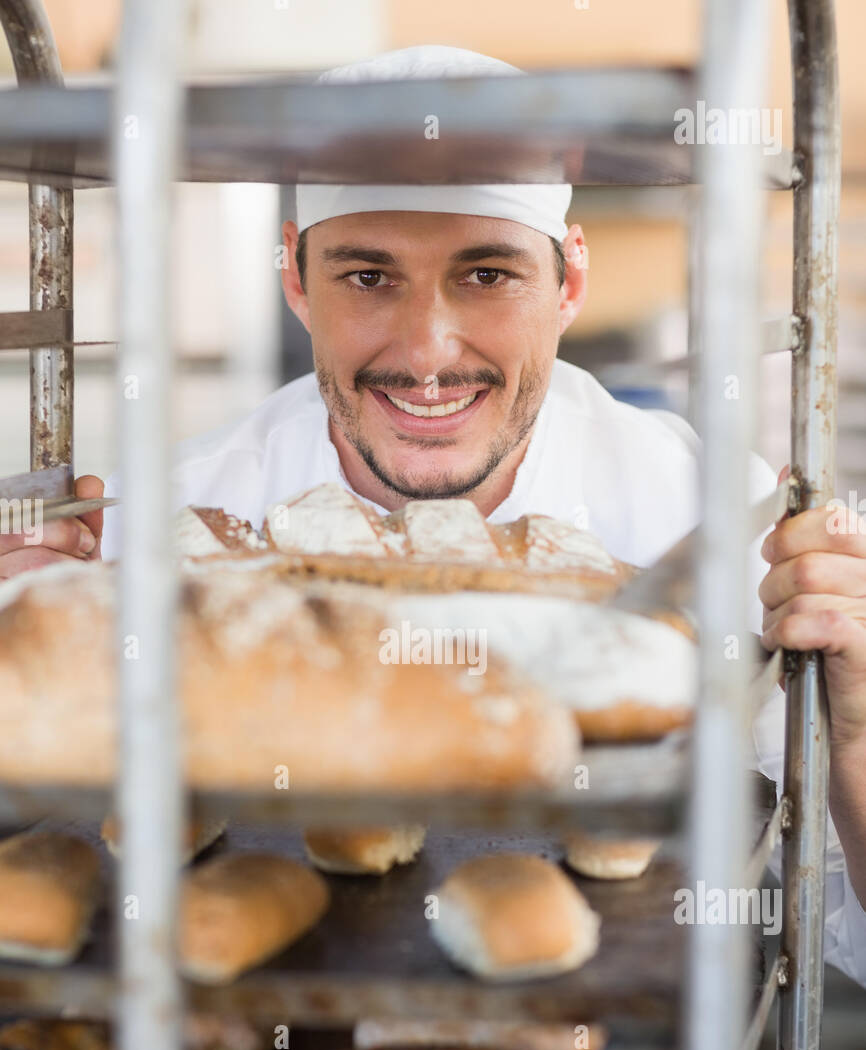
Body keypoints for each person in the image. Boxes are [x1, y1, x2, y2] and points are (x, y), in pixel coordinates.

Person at [2, 46, 865, 987]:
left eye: (486, 275)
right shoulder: (160, 530)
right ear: (295, 277)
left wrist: (857, 731)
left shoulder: (719, 525)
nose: (426, 352)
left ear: (569, 283)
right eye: (368, 277)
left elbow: (845, 940)